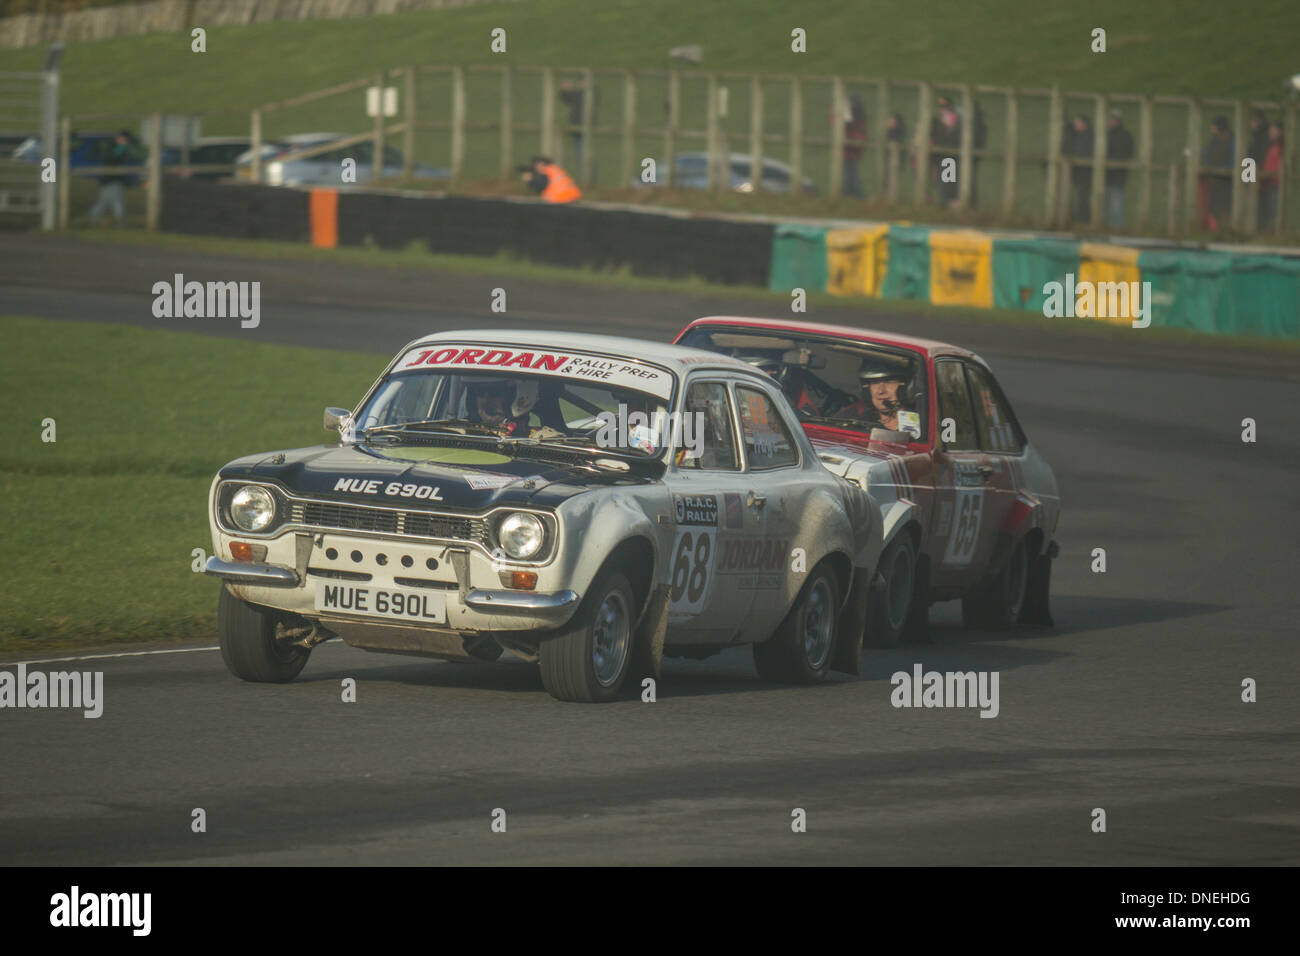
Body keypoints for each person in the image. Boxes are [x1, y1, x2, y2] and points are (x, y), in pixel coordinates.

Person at [837, 358, 914, 433]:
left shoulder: (922, 421)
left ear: (905, 387)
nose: (881, 391)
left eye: (889, 382)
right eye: (875, 383)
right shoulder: (852, 415)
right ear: (867, 389)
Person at [87, 130, 134, 225]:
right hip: (111, 180)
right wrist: (121, 149)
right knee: (116, 201)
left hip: (112, 180)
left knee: (105, 201)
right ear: (119, 138)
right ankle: (120, 221)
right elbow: (111, 159)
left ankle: (92, 217)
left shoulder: (118, 148)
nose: (126, 142)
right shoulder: (114, 148)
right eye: (125, 139)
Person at [1201, 116, 1234, 231]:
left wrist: (1224, 169)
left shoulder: (1231, 141)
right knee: (1214, 205)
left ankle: (1226, 228)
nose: (1212, 129)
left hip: (1227, 179)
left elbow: (1235, 158)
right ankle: (1216, 228)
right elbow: (1208, 154)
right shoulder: (1214, 140)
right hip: (1215, 178)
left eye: (1214, 127)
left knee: (1225, 205)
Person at [559, 77, 597, 174]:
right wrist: (565, 90)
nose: (581, 84)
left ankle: (589, 175)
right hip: (577, 128)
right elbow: (567, 98)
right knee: (580, 152)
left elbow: (571, 97)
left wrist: (566, 90)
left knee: (585, 153)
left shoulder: (588, 94)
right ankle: (586, 174)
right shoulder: (581, 94)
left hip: (585, 128)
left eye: (583, 81)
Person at [1105, 110, 1134, 229]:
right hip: (1110, 175)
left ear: (1115, 121)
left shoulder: (1121, 135)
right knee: (1109, 202)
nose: (1108, 122)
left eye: (1110, 120)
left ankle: (1116, 227)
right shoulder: (1112, 134)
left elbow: (1125, 153)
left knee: (1116, 202)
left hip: (1116, 175)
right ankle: (1109, 226)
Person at [929, 96, 961, 206]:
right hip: (938, 155)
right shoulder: (938, 120)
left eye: (944, 107)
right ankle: (941, 202)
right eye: (941, 107)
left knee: (948, 182)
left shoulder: (953, 119)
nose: (942, 109)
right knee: (939, 181)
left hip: (949, 155)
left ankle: (946, 203)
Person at [1062, 115, 1094, 224]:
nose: (1075, 125)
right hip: (1078, 171)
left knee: (1083, 196)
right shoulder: (1077, 135)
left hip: (1085, 171)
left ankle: (1083, 220)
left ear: (1084, 124)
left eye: (1077, 123)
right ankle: (1077, 219)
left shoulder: (1089, 136)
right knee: (1079, 195)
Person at [841, 95, 867, 198]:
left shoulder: (857, 116)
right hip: (849, 148)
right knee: (850, 172)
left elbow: (848, 124)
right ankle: (852, 194)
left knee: (851, 173)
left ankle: (856, 195)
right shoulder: (854, 115)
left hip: (852, 148)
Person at [1260, 122, 1283, 234]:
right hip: (1268, 183)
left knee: (1275, 210)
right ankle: (1269, 231)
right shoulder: (1271, 147)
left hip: (1276, 184)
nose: (1270, 133)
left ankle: (1276, 232)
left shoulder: (1281, 148)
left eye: (1273, 130)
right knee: (1268, 210)